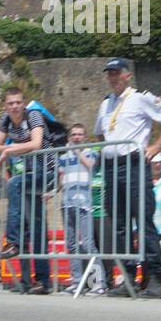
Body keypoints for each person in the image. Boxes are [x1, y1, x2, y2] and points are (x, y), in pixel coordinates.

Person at [92, 57, 161, 297]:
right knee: (118, 224)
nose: (113, 78)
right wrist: (108, 151)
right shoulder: (105, 104)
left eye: (117, 73)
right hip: (111, 166)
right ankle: (127, 277)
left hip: (134, 163)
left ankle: (155, 276)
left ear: (128, 75)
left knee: (143, 220)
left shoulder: (139, 98)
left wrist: (157, 145)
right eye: (110, 74)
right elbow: (99, 133)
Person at [0, 89, 52, 293]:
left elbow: (35, 143)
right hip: (28, 175)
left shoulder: (33, 115)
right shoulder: (6, 120)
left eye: (18, 102)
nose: (15, 106)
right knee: (37, 226)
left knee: (13, 184)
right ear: (5, 106)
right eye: (10, 103)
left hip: (46, 171)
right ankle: (43, 281)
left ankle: (13, 242)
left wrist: (9, 149)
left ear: (23, 104)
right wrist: (9, 149)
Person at [56, 124, 102, 294]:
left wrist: (77, 151)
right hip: (67, 203)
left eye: (80, 135)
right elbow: (61, 179)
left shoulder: (90, 151)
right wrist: (53, 192)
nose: (76, 137)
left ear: (85, 137)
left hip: (84, 204)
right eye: (73, 134)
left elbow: (90, 165)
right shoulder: (63, 157)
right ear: (69, 137)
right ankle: (76, 282)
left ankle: (98, 283)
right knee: (72, 245)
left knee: (89, 244)